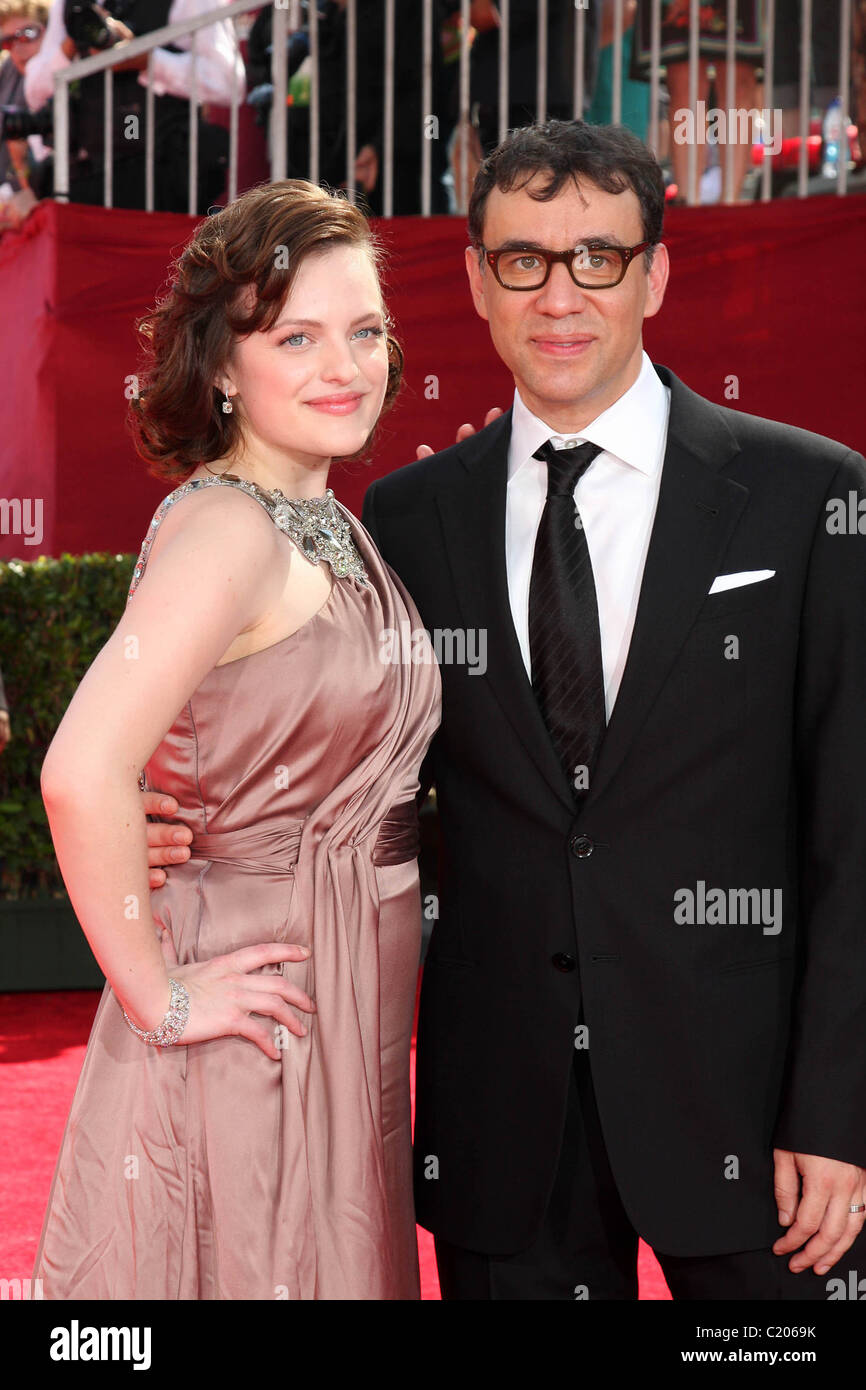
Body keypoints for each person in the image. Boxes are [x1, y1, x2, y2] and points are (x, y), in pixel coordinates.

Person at [145, 121, 866, 1301]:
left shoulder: (807, 496)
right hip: (502, 1136)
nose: (559, 293)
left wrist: (837, 1112)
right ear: (477, 280)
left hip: (757, 1134)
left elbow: (850, 828)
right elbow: (338, 745)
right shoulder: (414, 518)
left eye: (596, 257)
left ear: (654, 273)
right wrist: (165, 806)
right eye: (522, 258)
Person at [33, 177, 441, 1299]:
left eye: (363, 332)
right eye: (296, 335)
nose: (342, 365)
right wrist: (161, 992)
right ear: (220, 365)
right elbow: (80, 770)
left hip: (333, 994)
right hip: (261, 1007)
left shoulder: (325, 520)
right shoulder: (228, 528)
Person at [23, 0, 243, 211]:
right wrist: (72, 42)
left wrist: (147, 60)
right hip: (87, 183)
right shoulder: (67, 4)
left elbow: (228, 83)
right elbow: (35, 92)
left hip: (165, 181)